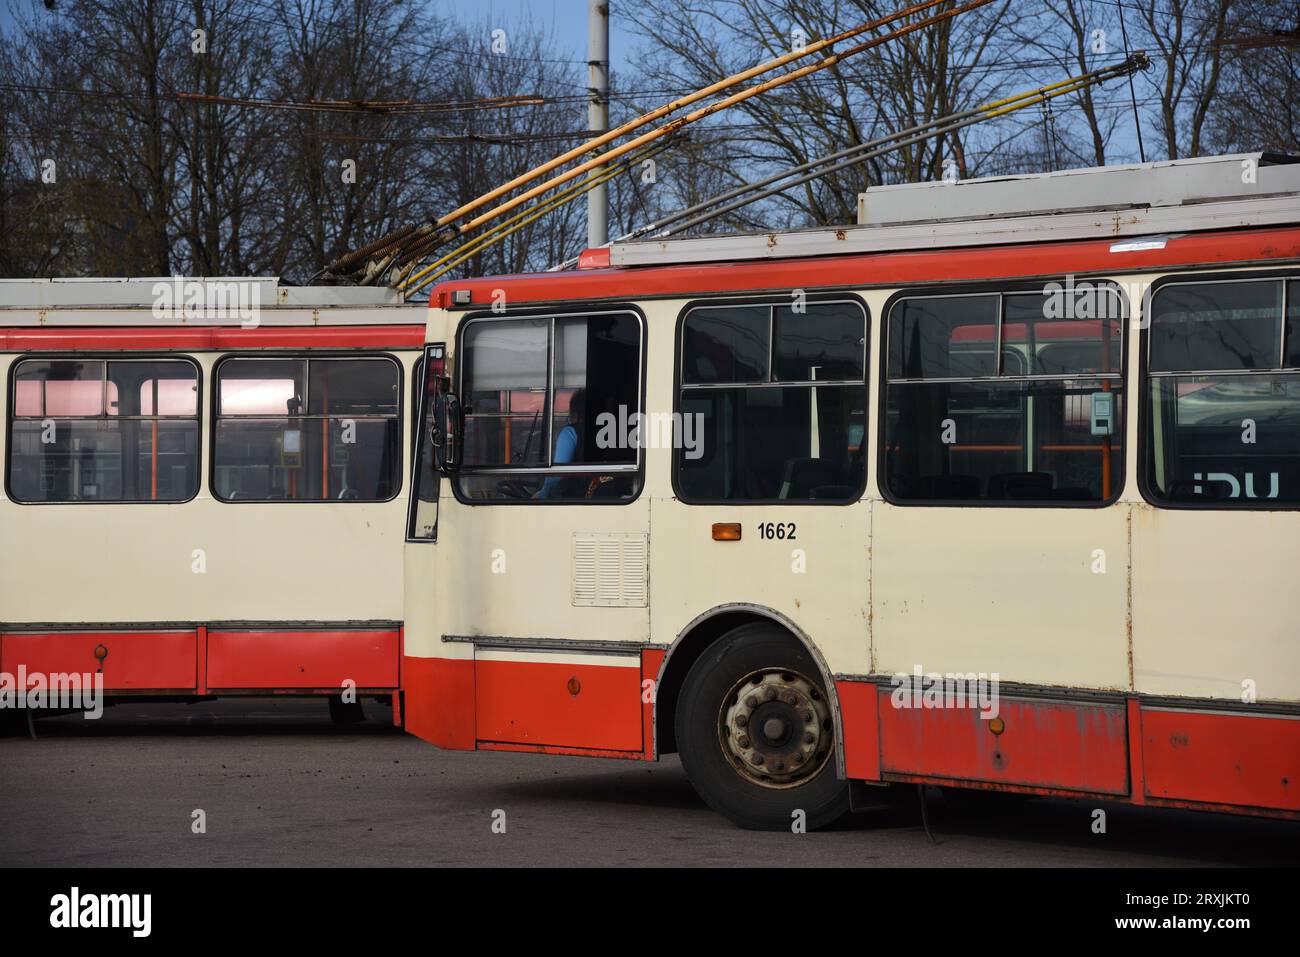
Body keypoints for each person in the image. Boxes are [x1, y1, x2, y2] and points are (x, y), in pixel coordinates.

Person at [538, 389, 584, 499]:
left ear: (575, 412)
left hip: (575, 499)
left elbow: (556, 475)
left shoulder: (570, 432)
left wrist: (542, 494)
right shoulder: (610, 432)